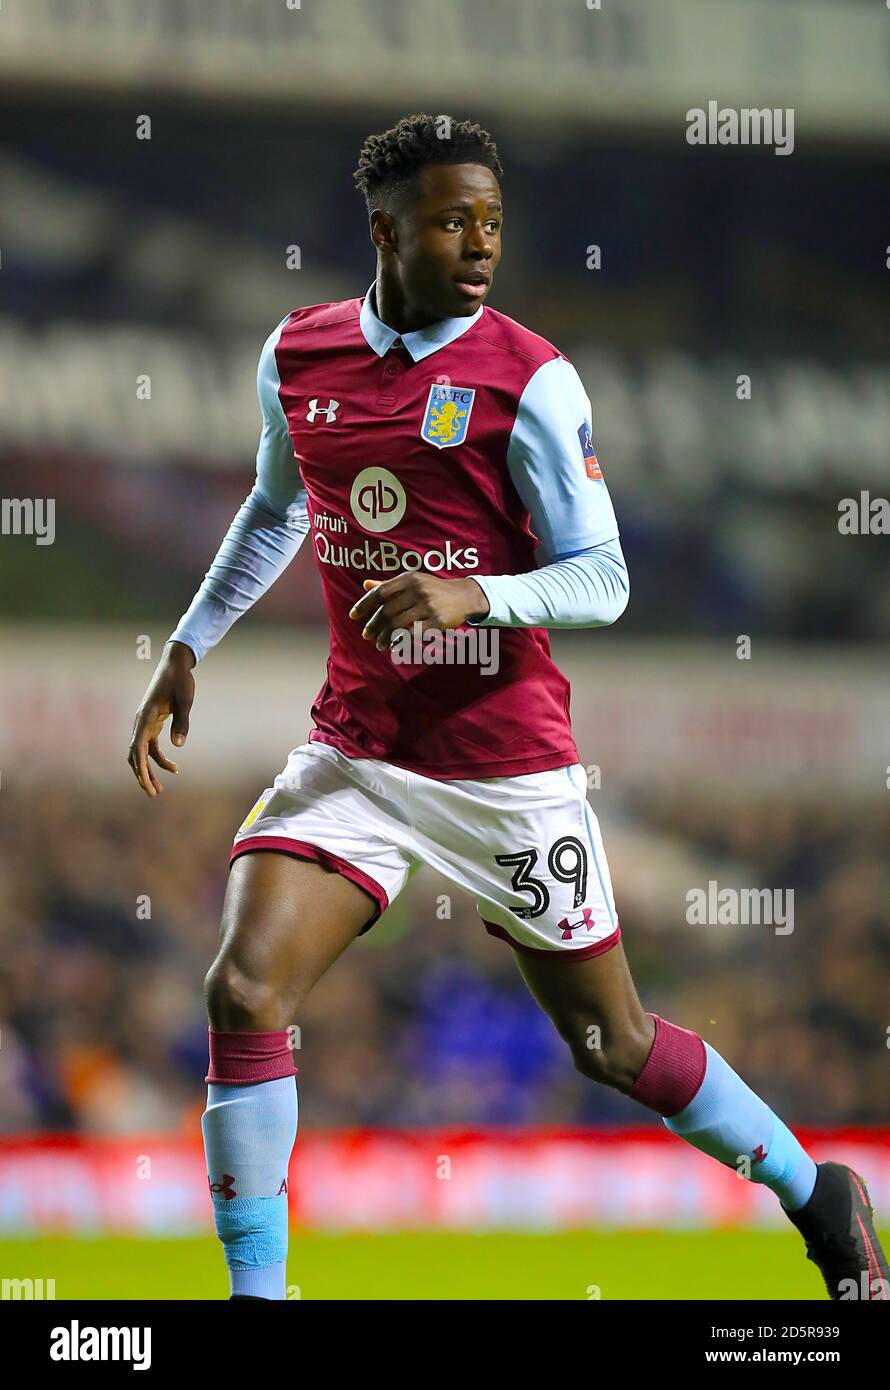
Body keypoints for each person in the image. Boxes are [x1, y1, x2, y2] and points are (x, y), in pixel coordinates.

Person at [128, 113, 888, 1302]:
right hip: (357, 755)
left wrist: (469, 588)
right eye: (450, 221)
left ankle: (813, 1188)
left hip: (506, 774)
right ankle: (257, 1297)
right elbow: (277, 509)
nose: (479, 244)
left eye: (491, 221)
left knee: (612, 1047)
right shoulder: (298, 356)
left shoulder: (529, 379)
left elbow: (604, 577)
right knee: (241, 987)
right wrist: (188, 640)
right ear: (383, 230)